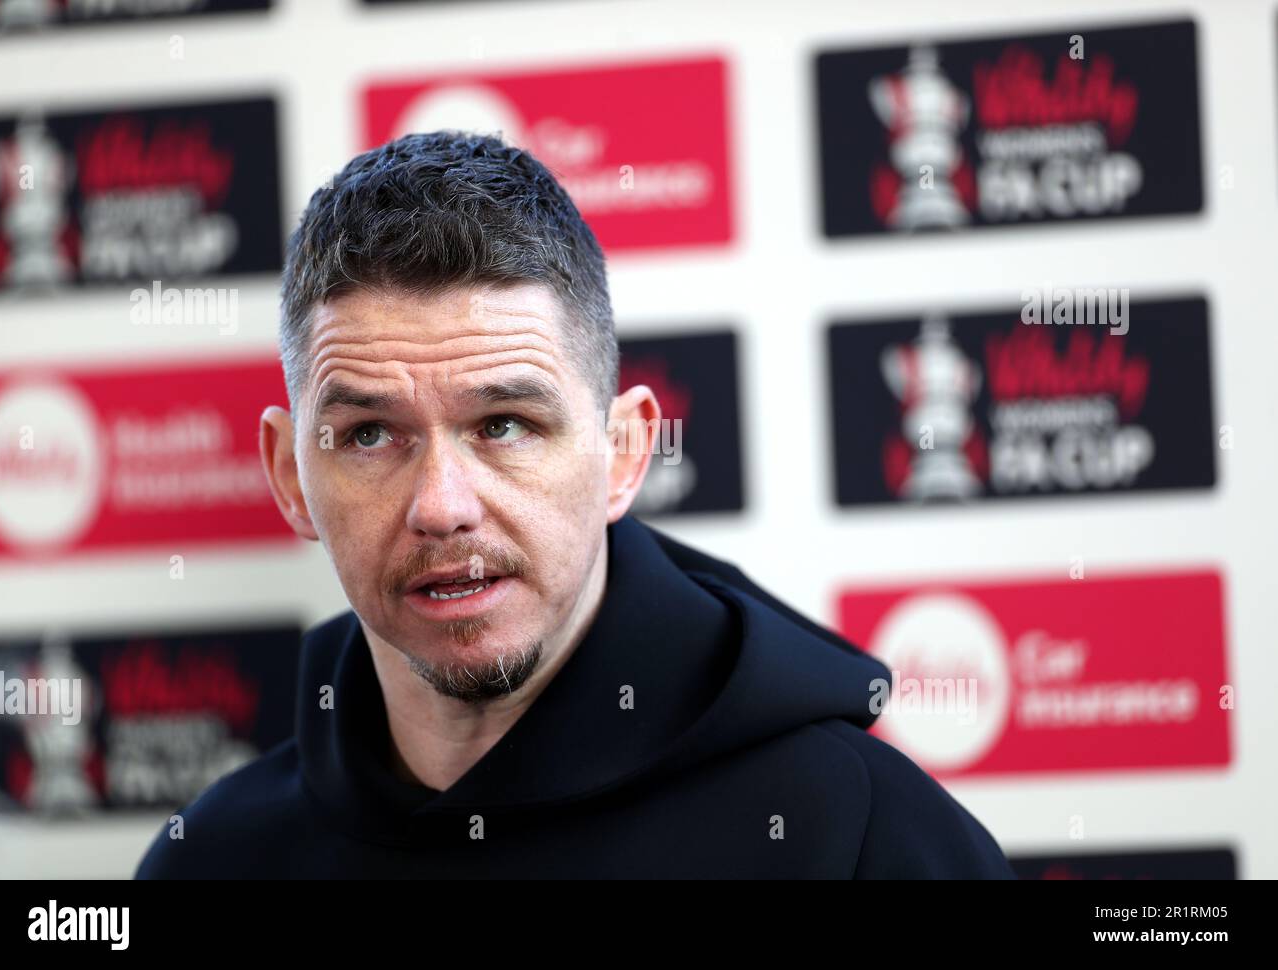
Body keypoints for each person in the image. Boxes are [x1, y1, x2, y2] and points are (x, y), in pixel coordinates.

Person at [135, 131, 1014, 878]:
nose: (442, 508)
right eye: (371, 435)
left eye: (505, 424)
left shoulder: (857, 838)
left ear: (624, 453)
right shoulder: (213, 860)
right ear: (291, 477)